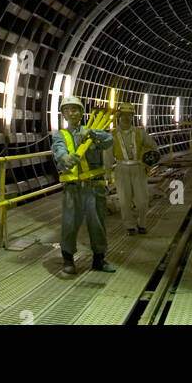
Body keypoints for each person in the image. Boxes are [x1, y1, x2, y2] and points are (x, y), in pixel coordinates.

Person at [51, 95, 115, 277]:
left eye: (75, 109)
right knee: (70, 224)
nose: (72, 113)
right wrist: (65, 158)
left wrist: (92, 134)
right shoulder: (60, 135)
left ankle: (99, 259)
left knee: (97, 224)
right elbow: (58, 150)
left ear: (81, 112)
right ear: (63, 114)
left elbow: (109, 140)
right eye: (68, 110)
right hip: (73, 189)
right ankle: (68, 260)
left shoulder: (92, 132)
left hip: (94, 188)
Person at [111, 102, 159, 234]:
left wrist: (148, 162)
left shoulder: (140, 133)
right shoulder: (112, 135)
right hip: (121, 168)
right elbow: (108, 156)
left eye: (129, 115)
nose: (126, 117)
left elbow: (154, 147)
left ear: (132, 116)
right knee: (124, 201)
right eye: (124, 115)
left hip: (138, 168)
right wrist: (106, 174)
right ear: (119, 116)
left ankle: (142, 224)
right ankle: (130, 226)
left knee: (142, 201)